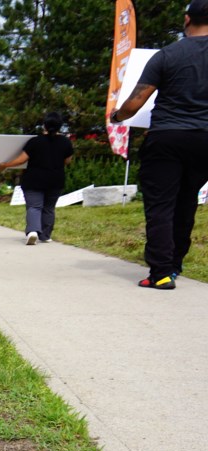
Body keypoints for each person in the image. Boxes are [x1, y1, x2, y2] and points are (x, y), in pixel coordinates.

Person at [110, 0, 208, 290]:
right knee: (187, 201)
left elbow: (137, 101)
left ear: (187, 19)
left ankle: (161, 272)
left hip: (167, 136)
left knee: (161, 205)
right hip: (204, 140)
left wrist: (117, 115)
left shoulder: (167, 55)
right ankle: (175, 264)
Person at [0, 112, 74, 245]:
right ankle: (46, 235)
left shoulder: (35, 141)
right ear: (60, 126)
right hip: (56, 180)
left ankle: (33, 231)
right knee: (49, 208)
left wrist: (5, 165)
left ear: (44, 125)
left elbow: (22, 160)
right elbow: (68, 161)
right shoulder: (66, 142)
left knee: (34, 207)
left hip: (34, 180)